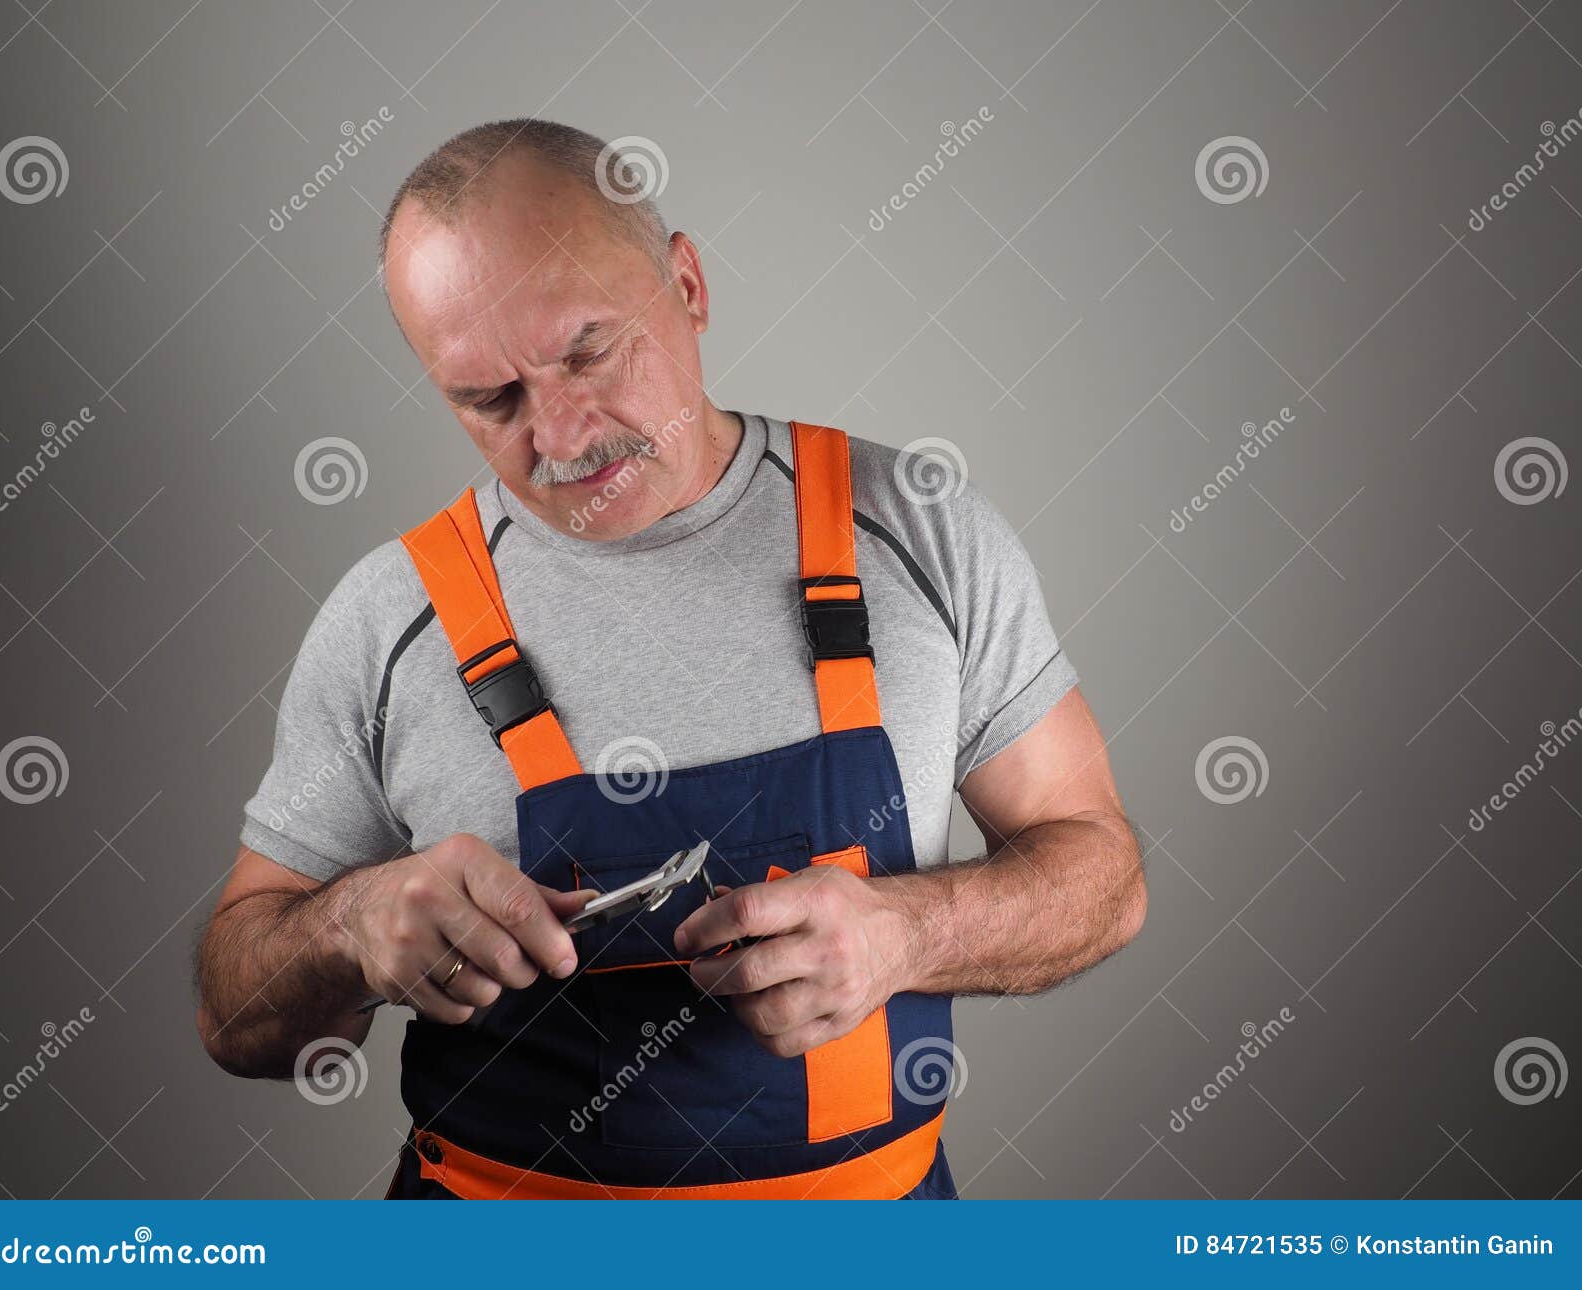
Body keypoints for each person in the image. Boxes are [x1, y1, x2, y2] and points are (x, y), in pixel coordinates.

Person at [194, 119, 1145, 1200]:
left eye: (588, 352)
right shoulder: (388, 619)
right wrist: (350, 928)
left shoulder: (917, 532)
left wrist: (910, 934)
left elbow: (1101, 878)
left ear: (686, 285)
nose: (558, 437)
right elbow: (234, 1018)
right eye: (488, 399)